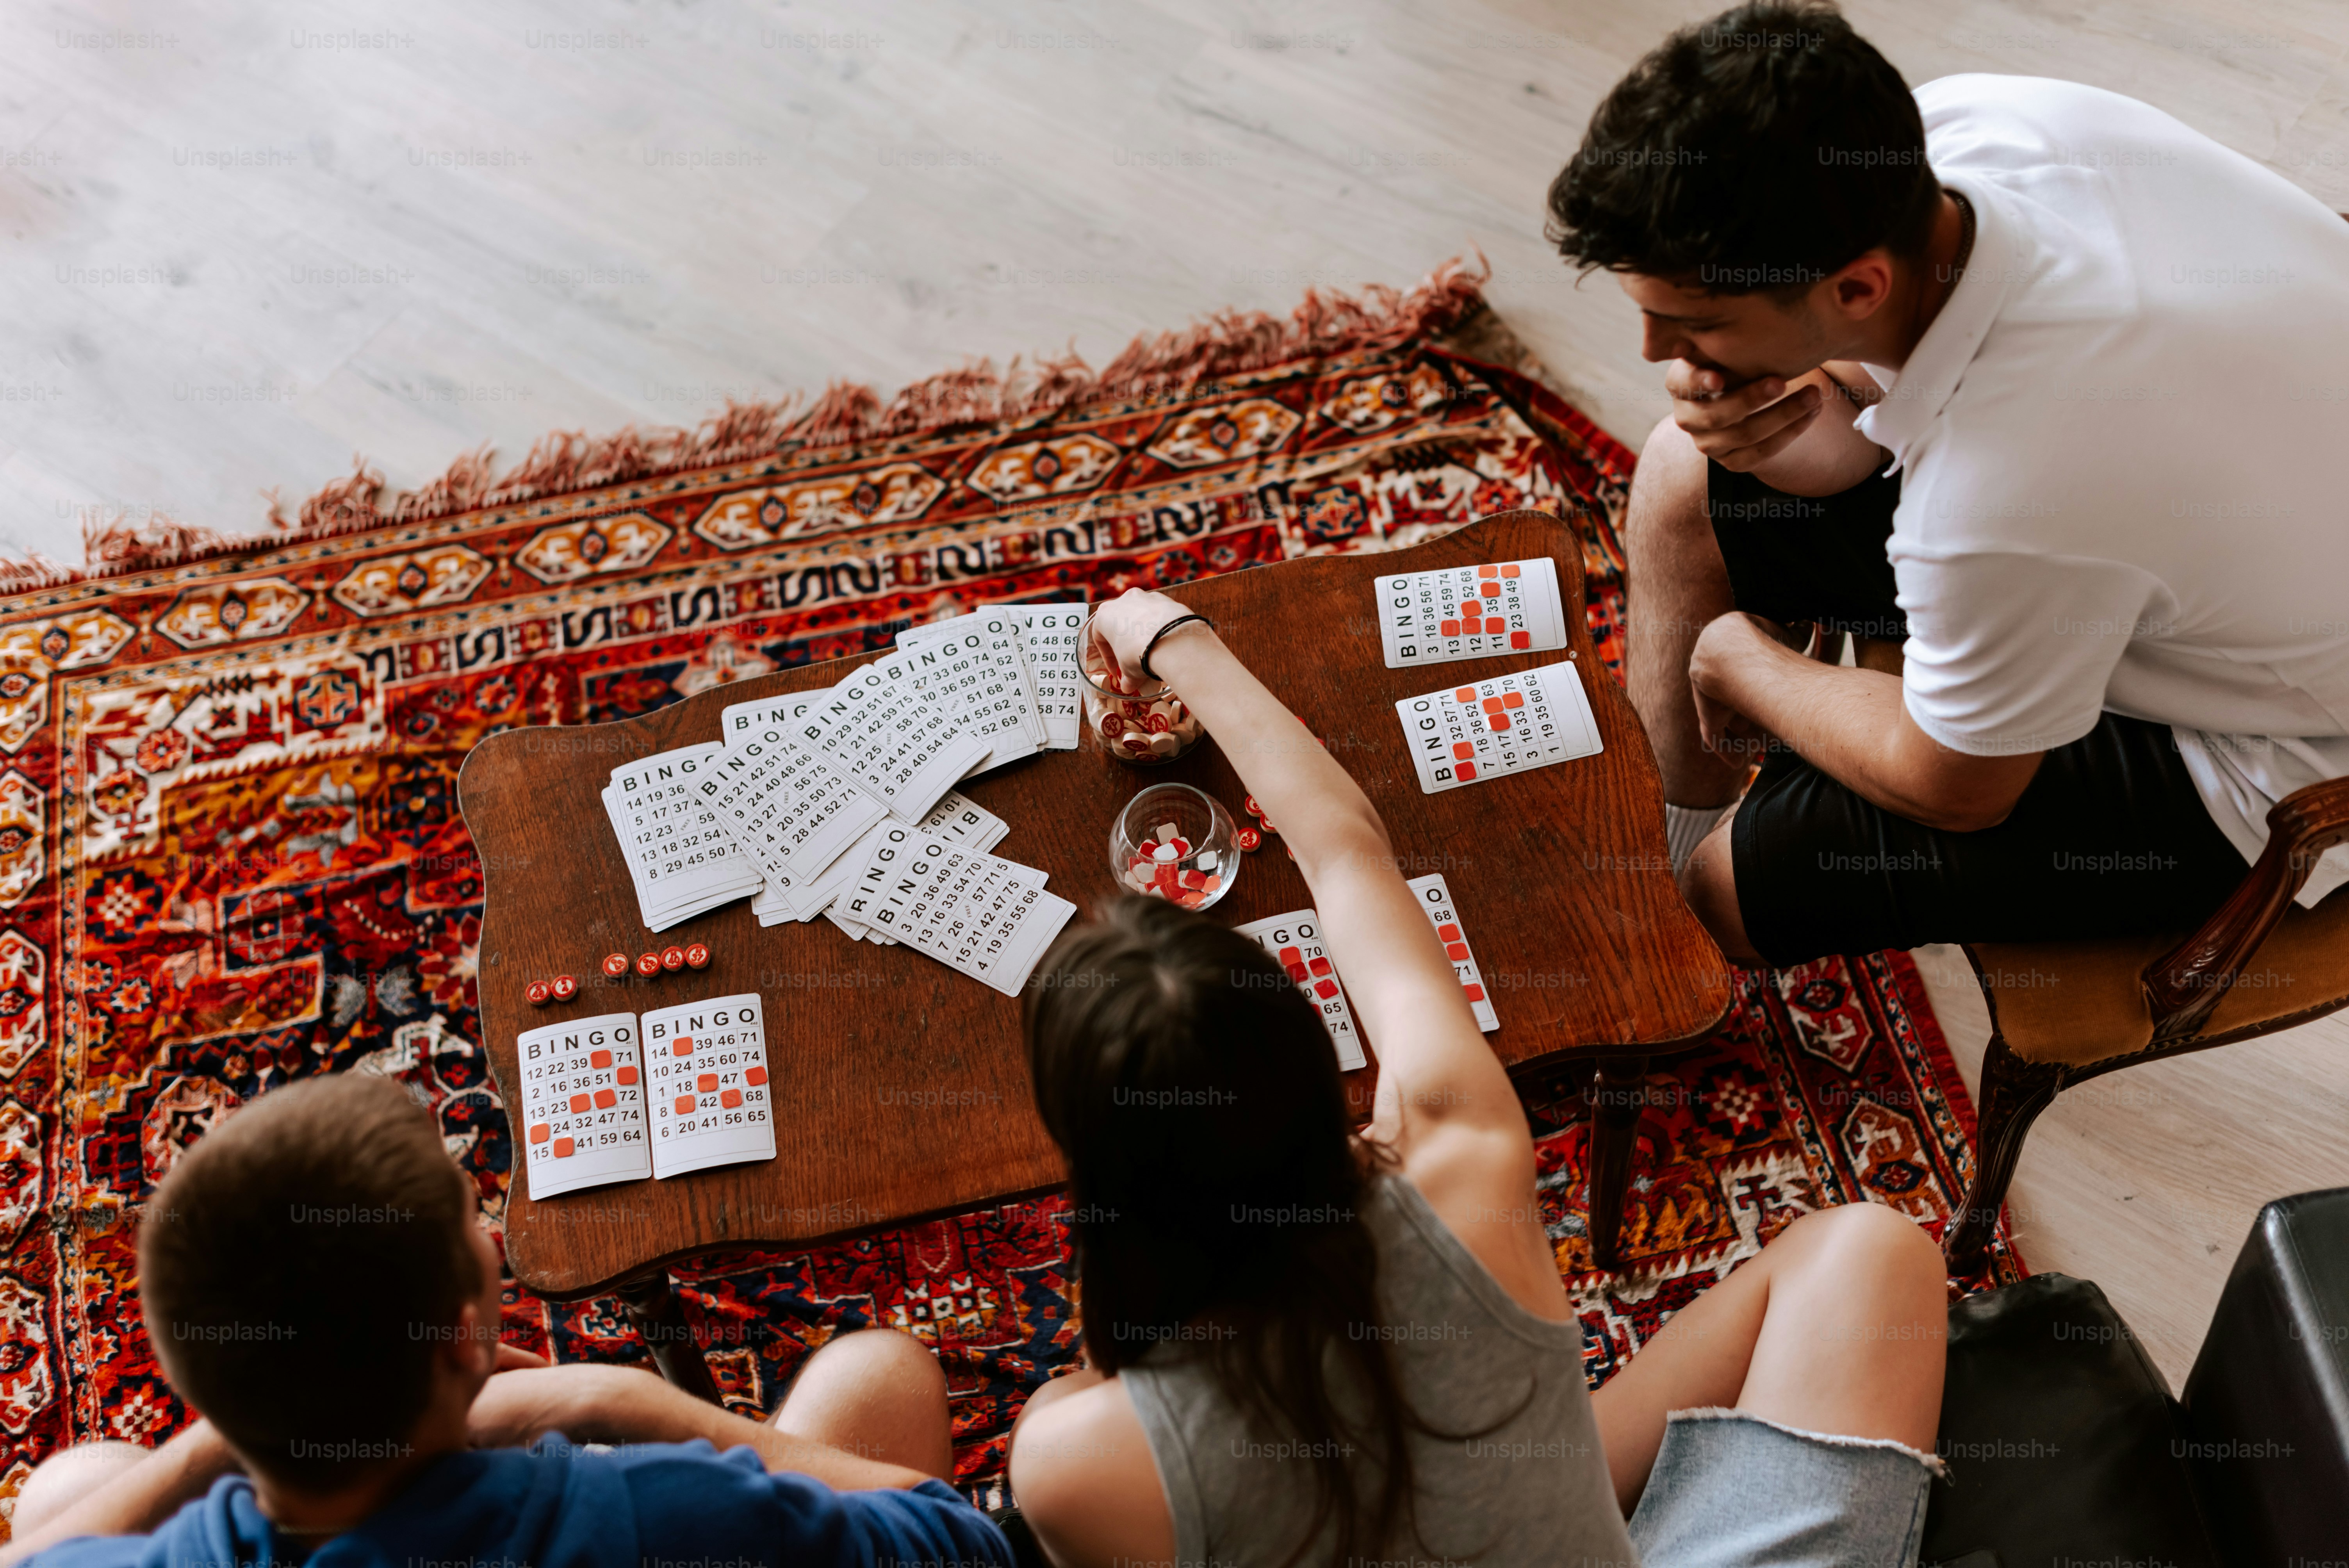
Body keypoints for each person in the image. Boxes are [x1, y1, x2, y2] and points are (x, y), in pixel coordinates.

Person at [1004, 588, 1950, 1566]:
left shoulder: (1068, 1459)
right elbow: (1344, 852)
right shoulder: (1462, 1150)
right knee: (1872, 1251)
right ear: (1306, 1058)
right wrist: (1167, 633)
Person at [1546, 0, 2349, 966]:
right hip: (2222, 520)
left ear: (1854, 289)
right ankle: (1651, 896)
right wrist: (1774, 431)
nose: (1655, 353)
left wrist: (1736, 661)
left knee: (1732, 886)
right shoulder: (1965, 132)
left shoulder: (2007, 490)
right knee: (1688, 468)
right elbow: (1879, 396)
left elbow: (1957, 787)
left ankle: (1682, 934)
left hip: (2276, 745)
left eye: (1696, 324)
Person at [2, 1073, 1012, 1568]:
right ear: (465, 1335)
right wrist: (630, 1403)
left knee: (69, 1486)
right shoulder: (669, 1511)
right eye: (475, 1225)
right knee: (879, 1374)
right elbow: (959, 1542)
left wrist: (208, 1452)